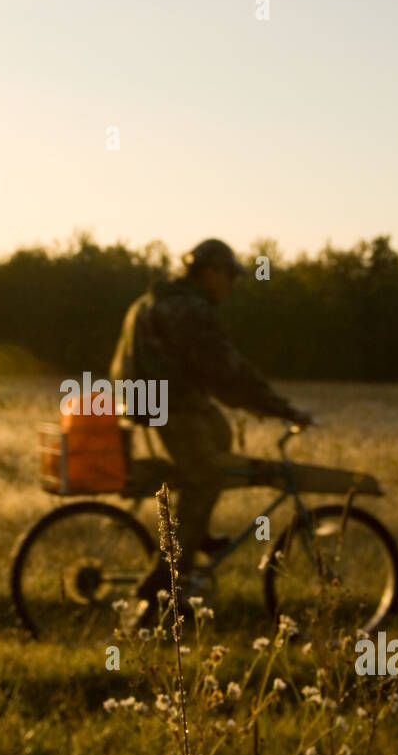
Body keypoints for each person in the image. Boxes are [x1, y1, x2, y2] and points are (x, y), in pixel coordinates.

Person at [110, 237, 313, 608]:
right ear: (210, 272)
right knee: (207, 477)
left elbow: (209, 371)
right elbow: (226, 368)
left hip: (155, 400)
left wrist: (246, 400)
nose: (232, 285)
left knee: (218, 434)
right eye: (229, 276)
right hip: (168, 404)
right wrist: (280, 407)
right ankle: (163, 587)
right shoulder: (187, 309)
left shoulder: (159, 298)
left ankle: (195, 530)